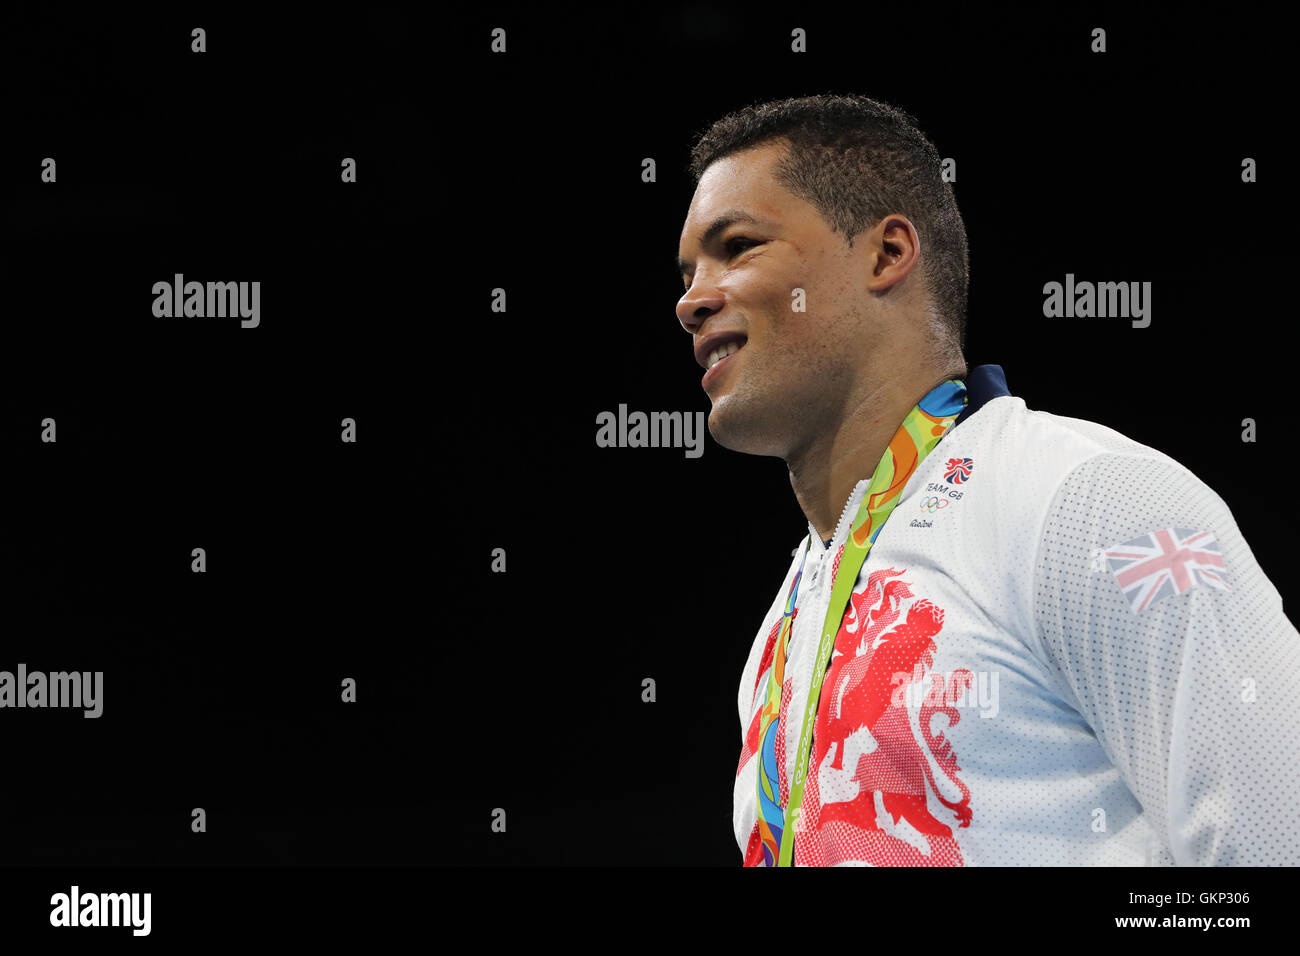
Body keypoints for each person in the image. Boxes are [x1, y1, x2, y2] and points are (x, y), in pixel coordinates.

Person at [674, 93, 1300, 866]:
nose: (691, 299)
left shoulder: (1093, 506)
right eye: (688, 271)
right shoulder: (780, 635)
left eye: (736, 246)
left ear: (886, 253)